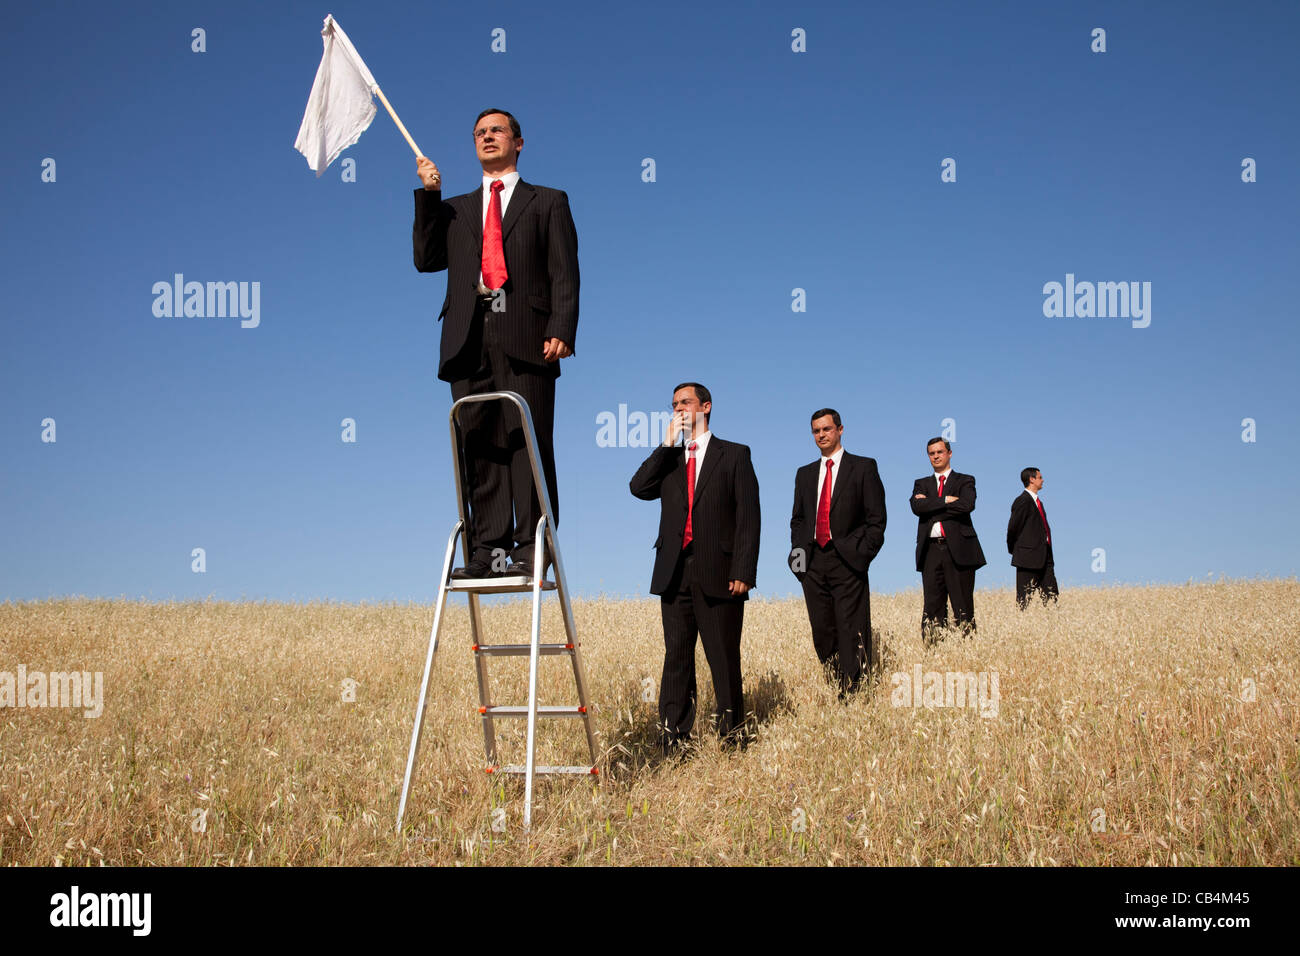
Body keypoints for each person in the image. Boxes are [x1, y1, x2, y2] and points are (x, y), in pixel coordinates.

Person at [413, 109, 579, 579]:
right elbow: (426, 260)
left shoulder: (548, 201)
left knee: (526, 441)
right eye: (479, 133)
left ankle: (531, 548)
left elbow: (565, 271)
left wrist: (562, 328)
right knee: (478, 445)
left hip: (529, 338)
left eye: (497, 131)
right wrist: (430, 196)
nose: (487, 137)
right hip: (467, 340)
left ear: (518, 142)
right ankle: (486, 552)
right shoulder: (456, 209)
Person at [630, 383, 760, 750]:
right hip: (673, 571)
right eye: (673, 405)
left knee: (722, 655)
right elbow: (638, 487)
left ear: (706, 406)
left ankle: (733, 737)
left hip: (720, 571)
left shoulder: (734, 454)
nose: (678, 409)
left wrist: (743, 571)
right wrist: (667, 443)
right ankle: (674, 738)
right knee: (676, 657)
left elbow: (749, 517)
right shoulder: (670, 459)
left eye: (685, 402)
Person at [788, 409, 886, 696]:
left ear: (840, 429)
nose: (821, 435)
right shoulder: (804, 474)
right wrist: (798, 559)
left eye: (827, 429)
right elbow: (798, 519)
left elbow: (876, 519)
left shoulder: (863, 467)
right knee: (822, 630)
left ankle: (853, 693)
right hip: (812, 561)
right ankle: (835, 684)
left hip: (848, 559)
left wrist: (862, 555)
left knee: (851, 627)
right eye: (816, 431)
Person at [910, 437, 986, 642]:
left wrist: (931, 506)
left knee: (963, 606)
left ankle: (966, 650)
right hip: (930, 551)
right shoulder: (921, 483)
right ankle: (933, 652)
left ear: (949, 453)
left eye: (939, 452)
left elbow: (967, 505)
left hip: (959, 551)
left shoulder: (965, 480)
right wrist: (945, 500)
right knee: (932, 607)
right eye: (931, 453)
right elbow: (917, 508)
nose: (935, 456)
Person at [1007, 467, 1059, 607]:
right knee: (1024, 600)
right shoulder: (1022, 501)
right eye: (1040, 477)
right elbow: (1013, 528)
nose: (1043, 480)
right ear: (1032, 479)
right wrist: (1019, 551)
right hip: (1027, 558)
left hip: (1045, 557)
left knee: (1052, 598)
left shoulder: (1038, 503)